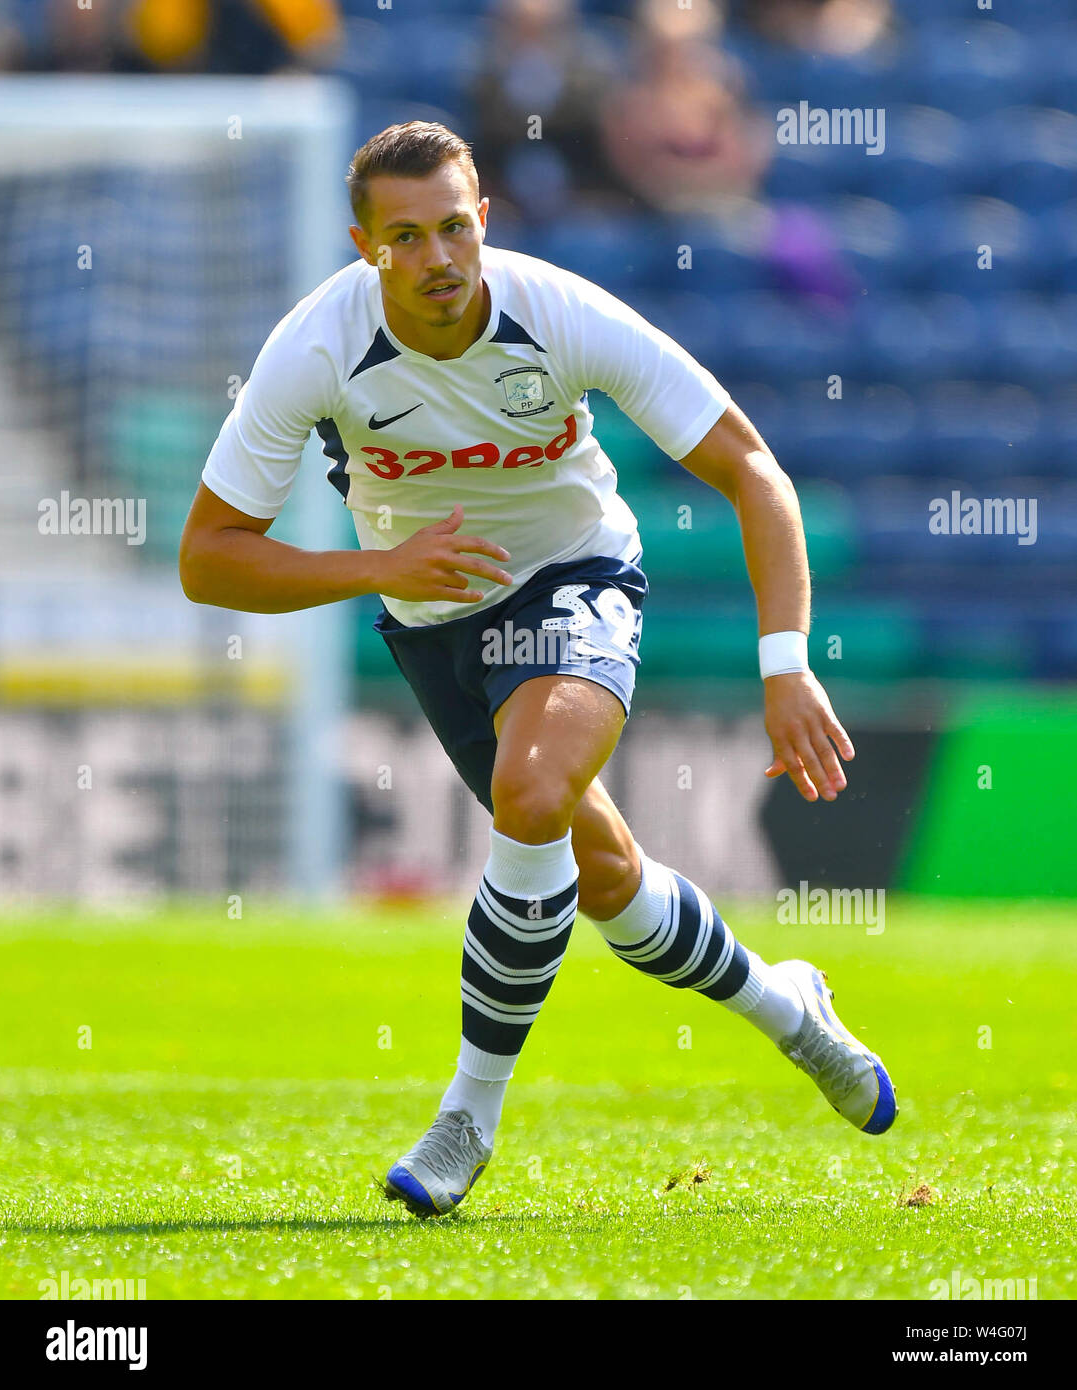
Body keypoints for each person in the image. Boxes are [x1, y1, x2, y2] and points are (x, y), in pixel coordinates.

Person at [179, 121, 897, 1219]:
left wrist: (786, 664)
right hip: (428, 621)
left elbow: (753, 469)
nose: (437, 257)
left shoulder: (555, 311)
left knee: (530, 793)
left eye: (455, 226)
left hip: (573, 578)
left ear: (484, 220)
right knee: (605, 880)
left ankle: (467, 1113)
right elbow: (208, 557)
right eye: (406, 236)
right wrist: (383, 564)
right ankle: (788, 1006)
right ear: (364, 244)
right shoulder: (315, 346)